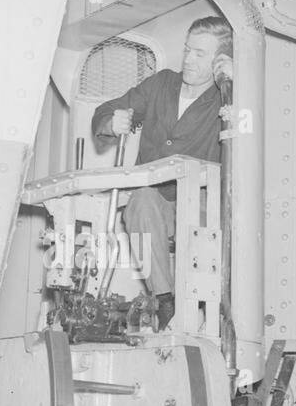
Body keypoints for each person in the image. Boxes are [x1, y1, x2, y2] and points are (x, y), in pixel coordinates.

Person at [91, 17, 234, 329]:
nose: (188, 60)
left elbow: (248, 134)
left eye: (200, 54)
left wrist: (235, 89)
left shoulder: (227, 98)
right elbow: (104, 111)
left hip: (199, 204)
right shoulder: (160, 84)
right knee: (140, 200)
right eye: (187, 50)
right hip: (157, 201)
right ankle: (164, 299)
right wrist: (111, 122)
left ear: (221, 61)